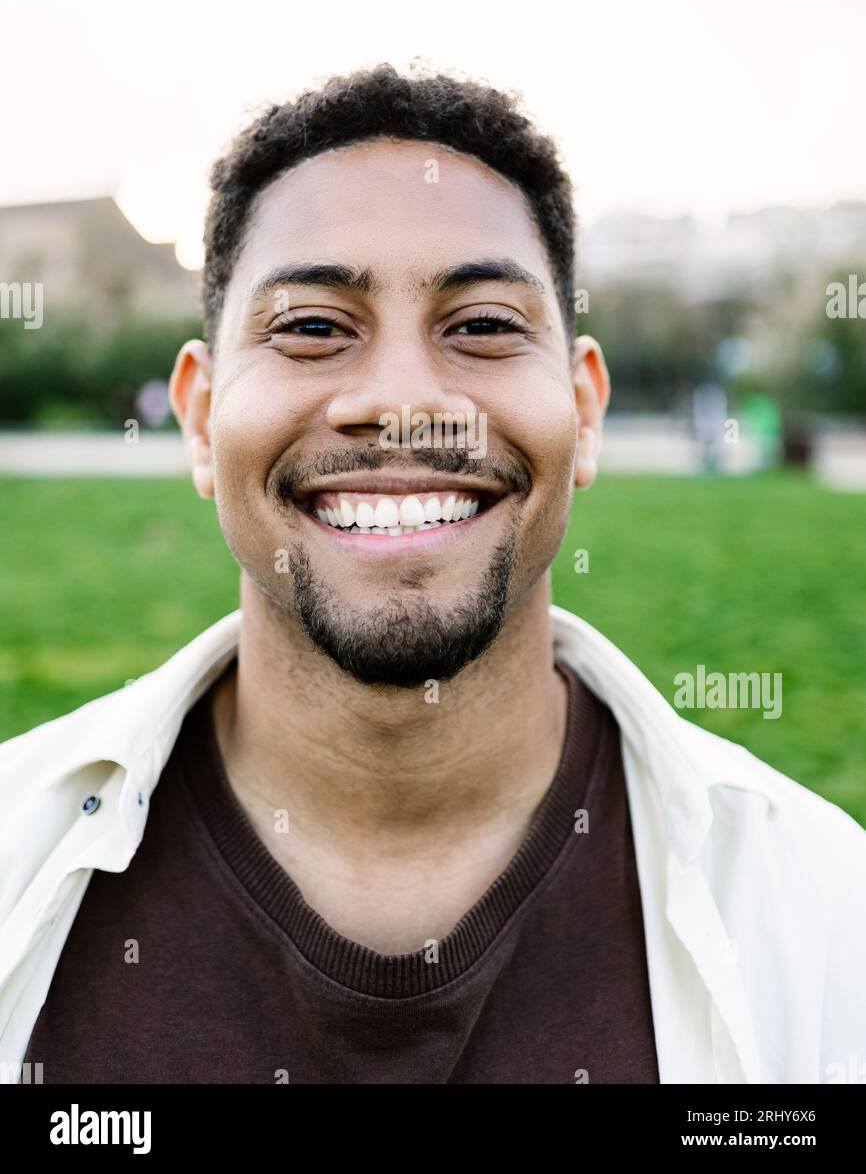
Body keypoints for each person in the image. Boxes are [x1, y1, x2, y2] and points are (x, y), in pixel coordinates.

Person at [1, 64, 864, 1085]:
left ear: (582, 413)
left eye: (483, 326)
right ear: (198, 417)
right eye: (313, 327)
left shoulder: (820, 917)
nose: (405, 403)